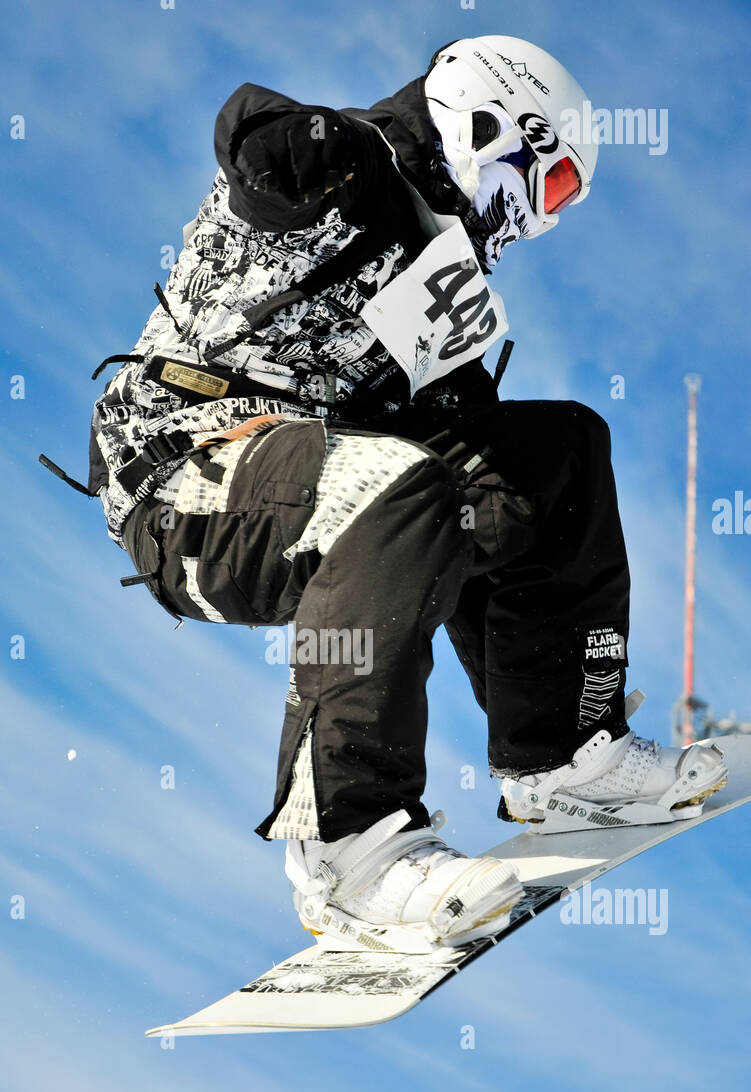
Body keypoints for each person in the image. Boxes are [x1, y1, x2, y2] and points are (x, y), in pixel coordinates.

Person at [85, 35, 726, 956]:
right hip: (183, 477)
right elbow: (252, 139)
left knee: (560, 453)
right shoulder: (348, 175)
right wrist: (317, 148)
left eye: (563, 206)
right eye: (548, 190)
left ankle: (560, 757)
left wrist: (503, 522)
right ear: (491, 132)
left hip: (318, 478)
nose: (540, 222)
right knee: (407, 479)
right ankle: (348, 844)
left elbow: (479, 473)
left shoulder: (440, 274)